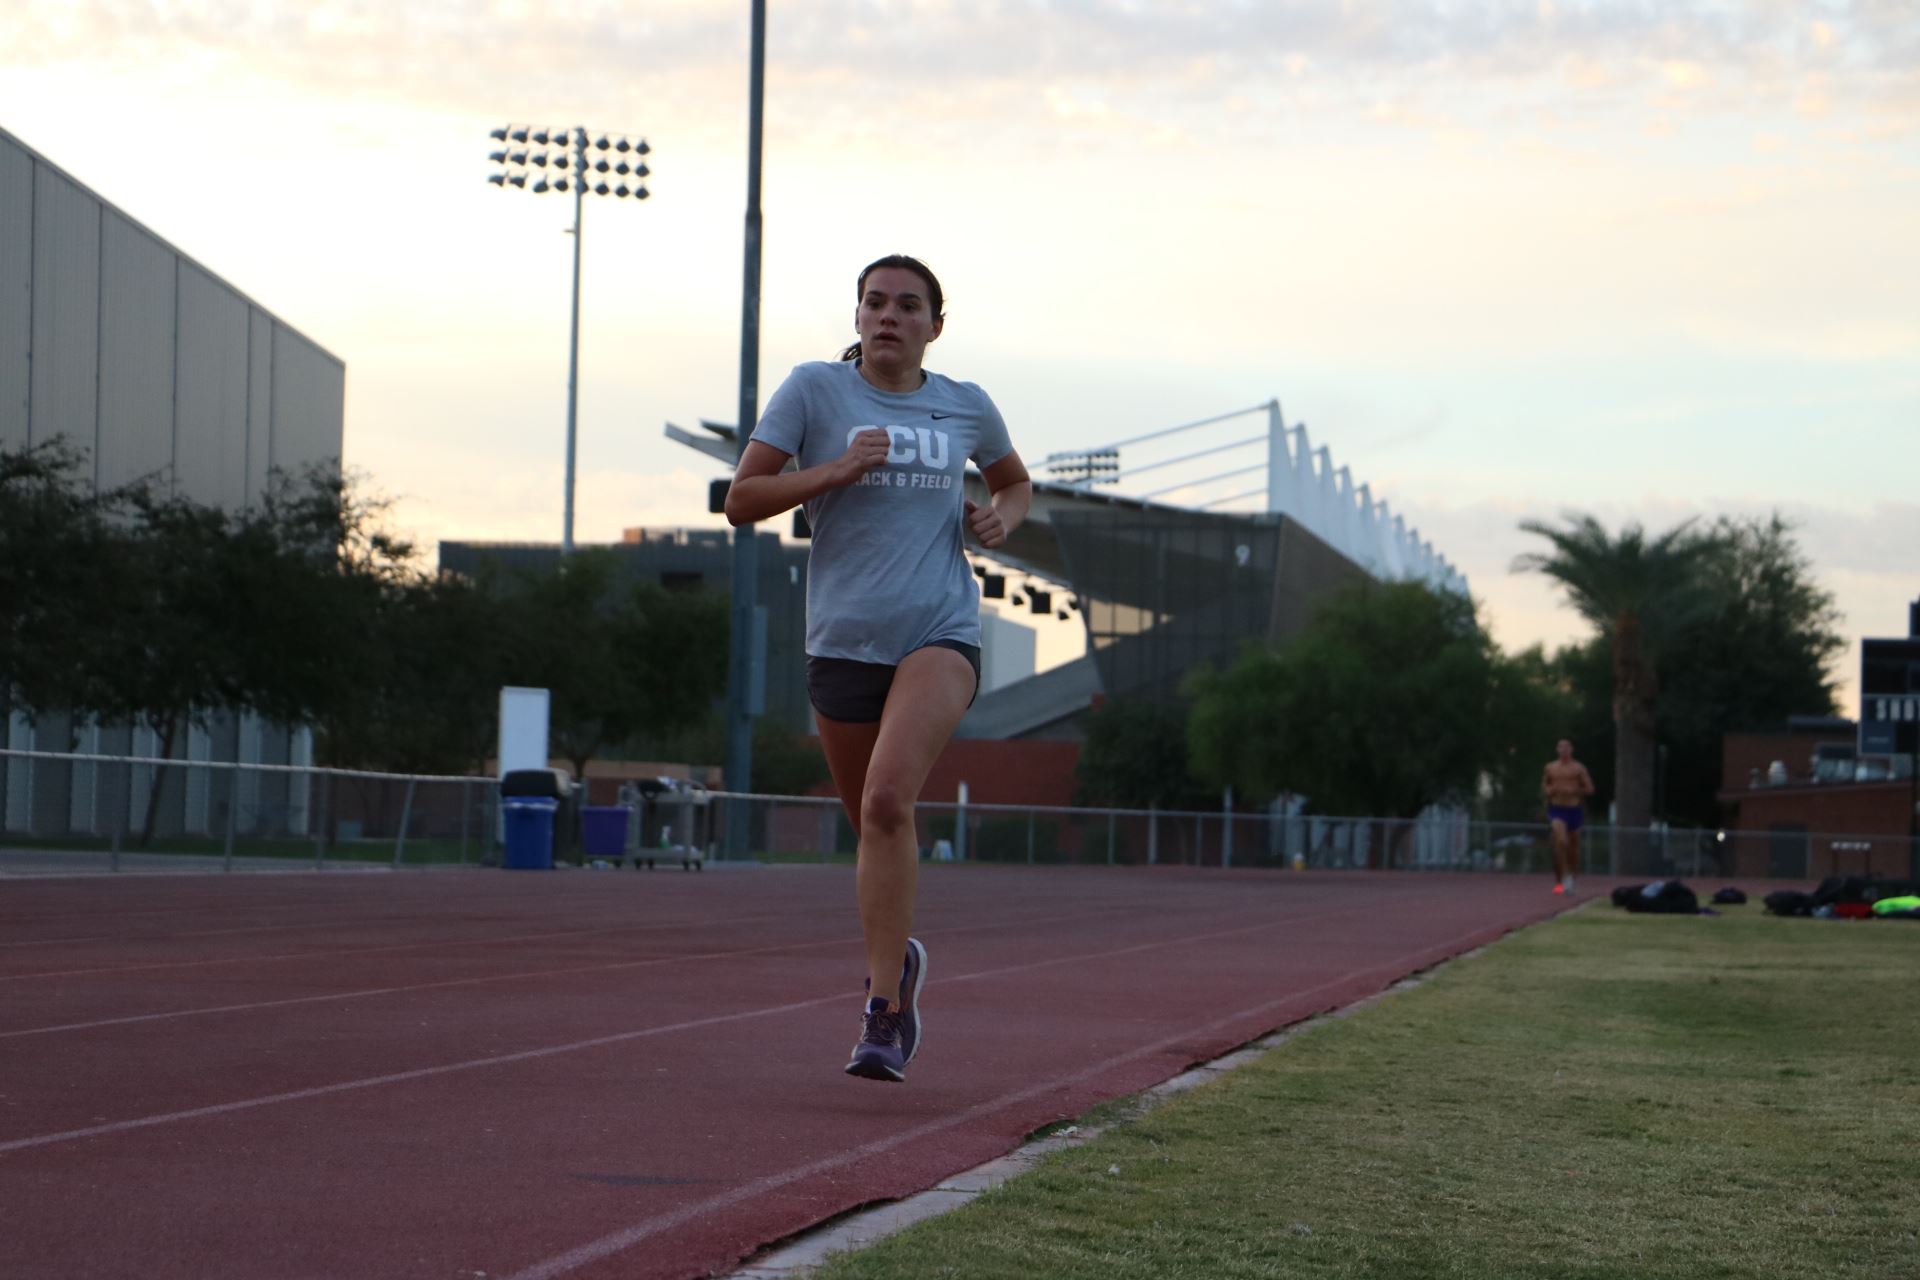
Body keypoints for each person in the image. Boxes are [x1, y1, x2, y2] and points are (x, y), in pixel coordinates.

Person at [725, 254, 1031, 1082]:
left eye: (907, 305)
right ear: (857, 316)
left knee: (890, 797)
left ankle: (883, 1009)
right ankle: (901, 961)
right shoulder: (814, 392)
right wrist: (833, 472)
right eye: (874, 303)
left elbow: (1014, 481)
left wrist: (998, 519)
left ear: (936, 324)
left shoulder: (965, 406)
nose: (888, 316)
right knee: (873, 827)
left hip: (938, 629)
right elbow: (740, 499)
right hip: (840, 643)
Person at [1541, 738, 1595, 895]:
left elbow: (1590, 789)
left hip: (1574, 810)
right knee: (1561, 841)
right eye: (1560, 747)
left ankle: (1572, 874)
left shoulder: (1578, 768)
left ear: (1571, 749)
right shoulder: (1550, 767)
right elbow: (1545, 784)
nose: (1563, 749)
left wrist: (1575, 790)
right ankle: (1564, 878)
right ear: (1557, 750)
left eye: (1566, 747)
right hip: (1557, 810)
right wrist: (1548, 790)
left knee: (1573, 849)